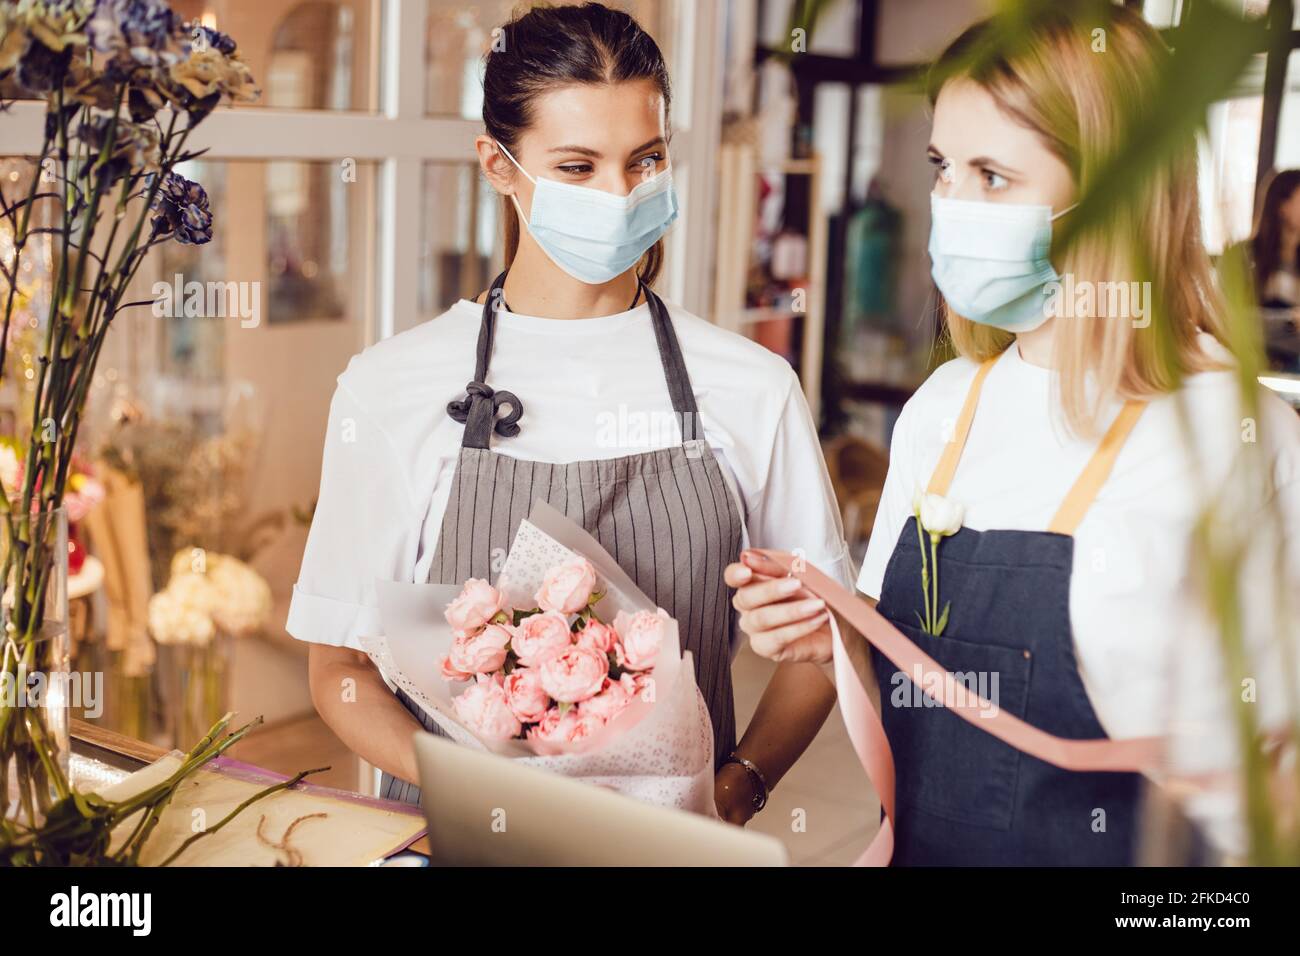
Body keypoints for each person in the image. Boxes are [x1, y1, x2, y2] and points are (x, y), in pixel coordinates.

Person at [726, 5, 1300, 864]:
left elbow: (1277, 785)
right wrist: (836, 638)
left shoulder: (1235, 438)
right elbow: (919, 702)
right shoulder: (944, 409)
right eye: (942, 165)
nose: (949, 202)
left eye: (992, 176)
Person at [287, 2, 853, 826]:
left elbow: (823, 644)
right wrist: (475, 789)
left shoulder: (752, 386)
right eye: (579, 168)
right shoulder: (391, 388)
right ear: (498, 164)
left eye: (645, 160)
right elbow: (338, 665)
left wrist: (736, 790)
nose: (619, 195)